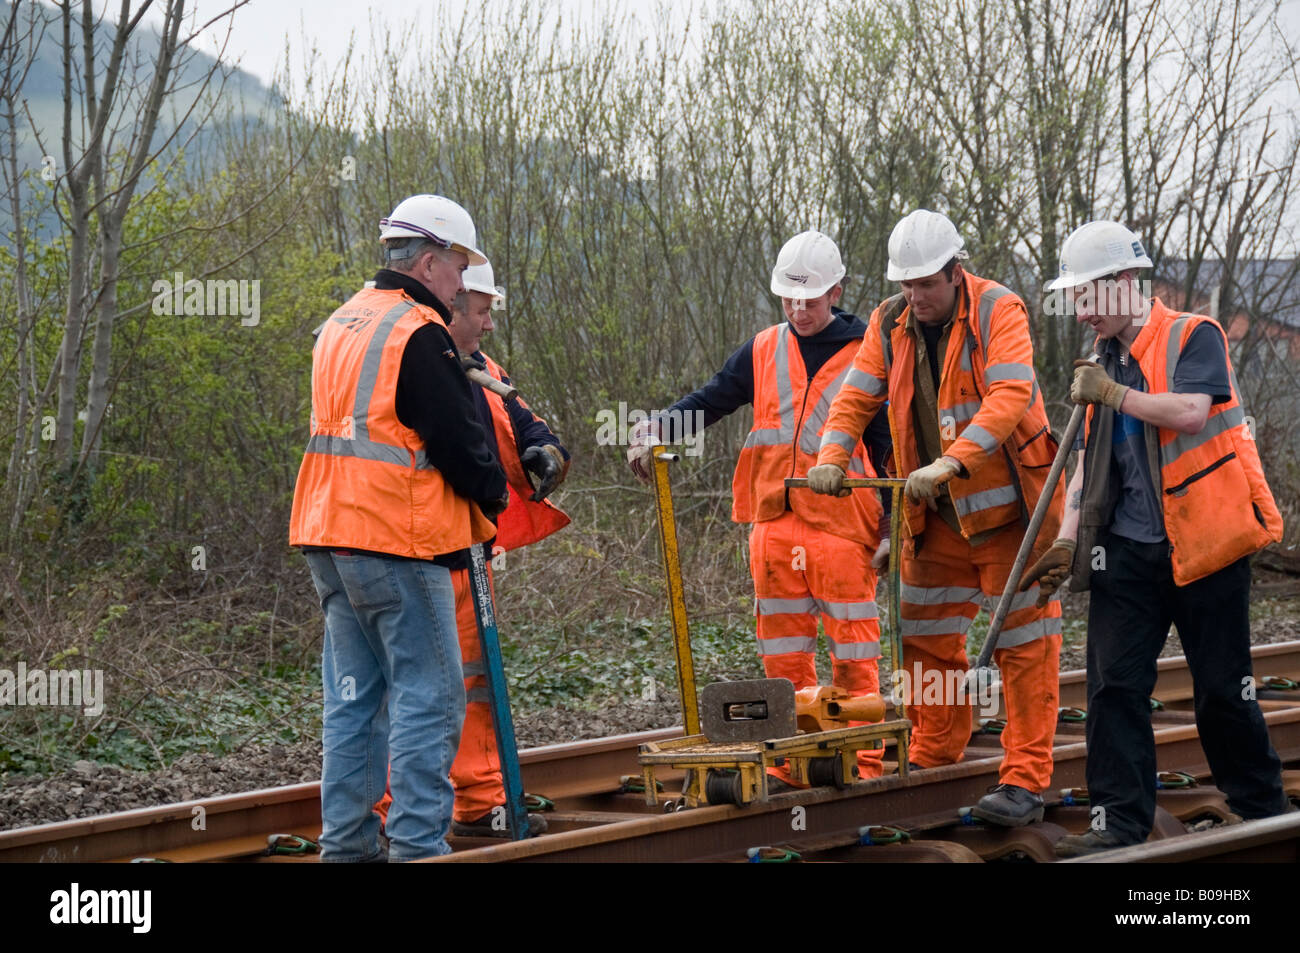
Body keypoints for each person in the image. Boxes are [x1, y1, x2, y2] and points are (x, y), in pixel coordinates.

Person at [1017, 220, 1290, 856]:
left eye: (1088, 296)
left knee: (1224, 693)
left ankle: (1264, 814)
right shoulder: (1104, 360)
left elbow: (1191, 411)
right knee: (1113, 691)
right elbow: (1085, 460)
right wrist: (1064, 539)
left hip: (1206, 550)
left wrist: (1114, 393)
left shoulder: (1195, 335)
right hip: (1128, 553)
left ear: (1121, 283)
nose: (1080, 311)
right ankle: (1117, 826)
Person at [808, 209, 1064, 826]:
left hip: (1009, 517)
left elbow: (1009, 398)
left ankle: (1024, 781)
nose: (915, 296)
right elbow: (856, 395)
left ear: (956, 272)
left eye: (926, 284)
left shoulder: (1000, 310)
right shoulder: (889, 321)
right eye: (906, 285)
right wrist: (832, 453)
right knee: (924, 639)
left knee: (1023, 646)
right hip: (933, 520)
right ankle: (933, 755)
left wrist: (952, 462)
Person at [628, 230, 893, 785]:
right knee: (783, 657)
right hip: (773, 523)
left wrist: (895, 524)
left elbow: (892, 443)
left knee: (854, 653)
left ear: (836, 291)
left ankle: (859, 762)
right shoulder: (764, 346)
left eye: (811, 299)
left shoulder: (871, 349)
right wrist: (658, 427)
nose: (799, 309)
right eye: (790, 298)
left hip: (845, 525)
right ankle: (793, 762)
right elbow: (713, 399)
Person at [289, 194, 508, 861]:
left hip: (328, 535)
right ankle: (417, 847)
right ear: (432, 261)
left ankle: (349, 850)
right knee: (431, 695)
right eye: (459, 267)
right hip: (397, 540)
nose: (462, 284)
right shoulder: (418, 330)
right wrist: (496, 492)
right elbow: (457, 440)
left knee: (355, 700)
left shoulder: (343, 320)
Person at [374, 257, 571, 837]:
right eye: (481, 312)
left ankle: (483, 800)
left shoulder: (482, 367)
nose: (488, 325)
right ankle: (388, 817)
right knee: (410, 687)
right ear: (452, 306)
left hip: (469, 552)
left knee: (474, 680)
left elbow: (524, 419)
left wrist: (546, 452)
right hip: (419, 551)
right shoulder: (418, 363)